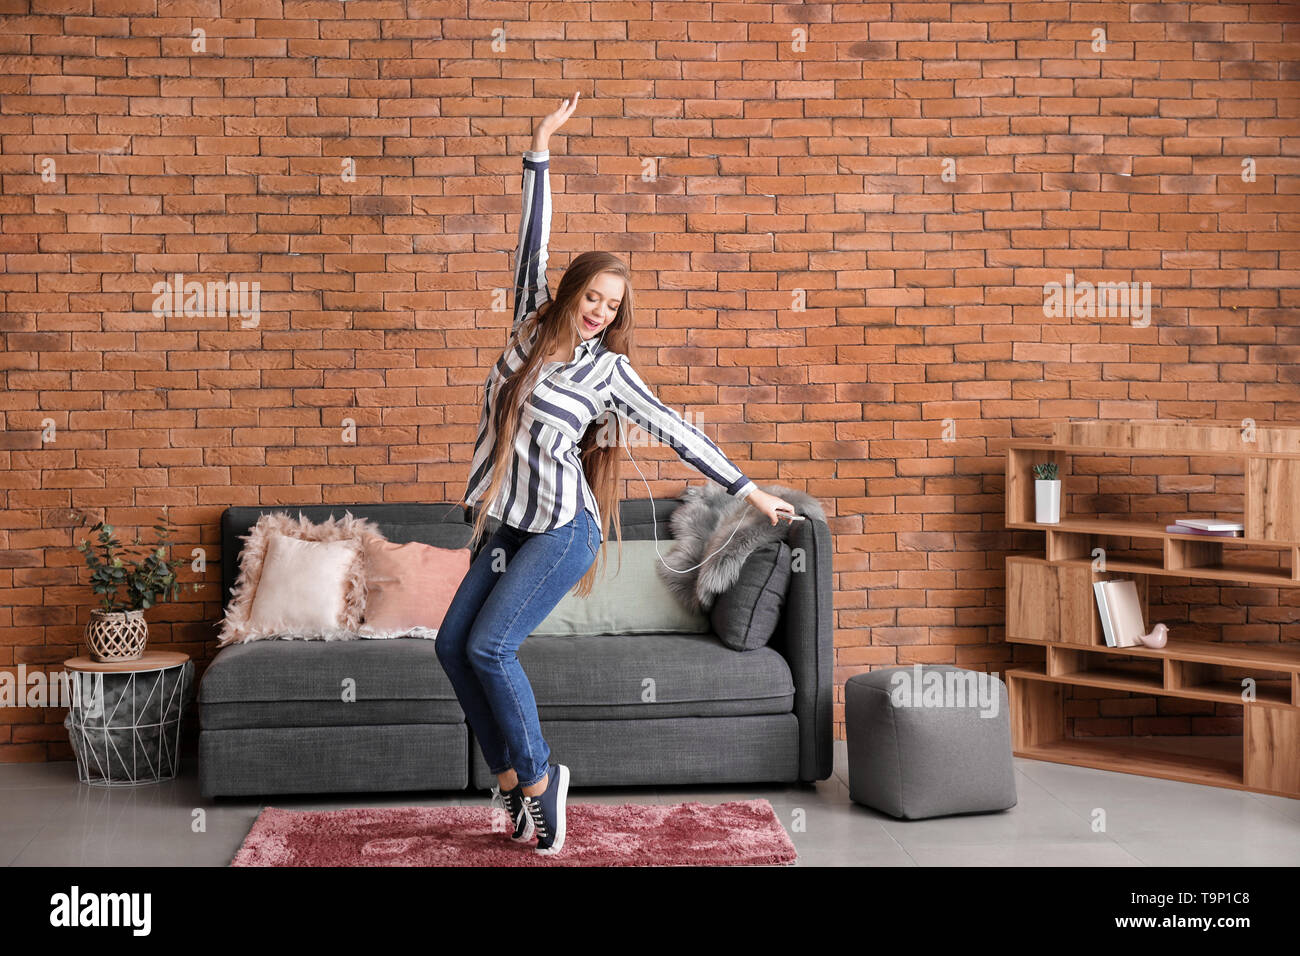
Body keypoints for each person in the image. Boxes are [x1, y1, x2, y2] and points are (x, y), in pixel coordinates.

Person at [436, 91, 797, 856]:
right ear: (571, 293)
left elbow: (673, 428)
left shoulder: (610, 374)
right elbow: (533, 232)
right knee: (451, 648)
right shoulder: (530, 320)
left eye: (612, 304)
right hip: (508, 522)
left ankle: (541, 783)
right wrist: (540, 144)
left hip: (565, 529)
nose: (600, 311)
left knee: (491, 648)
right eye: (593, 296)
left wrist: (748, 489)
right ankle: (511, 791)